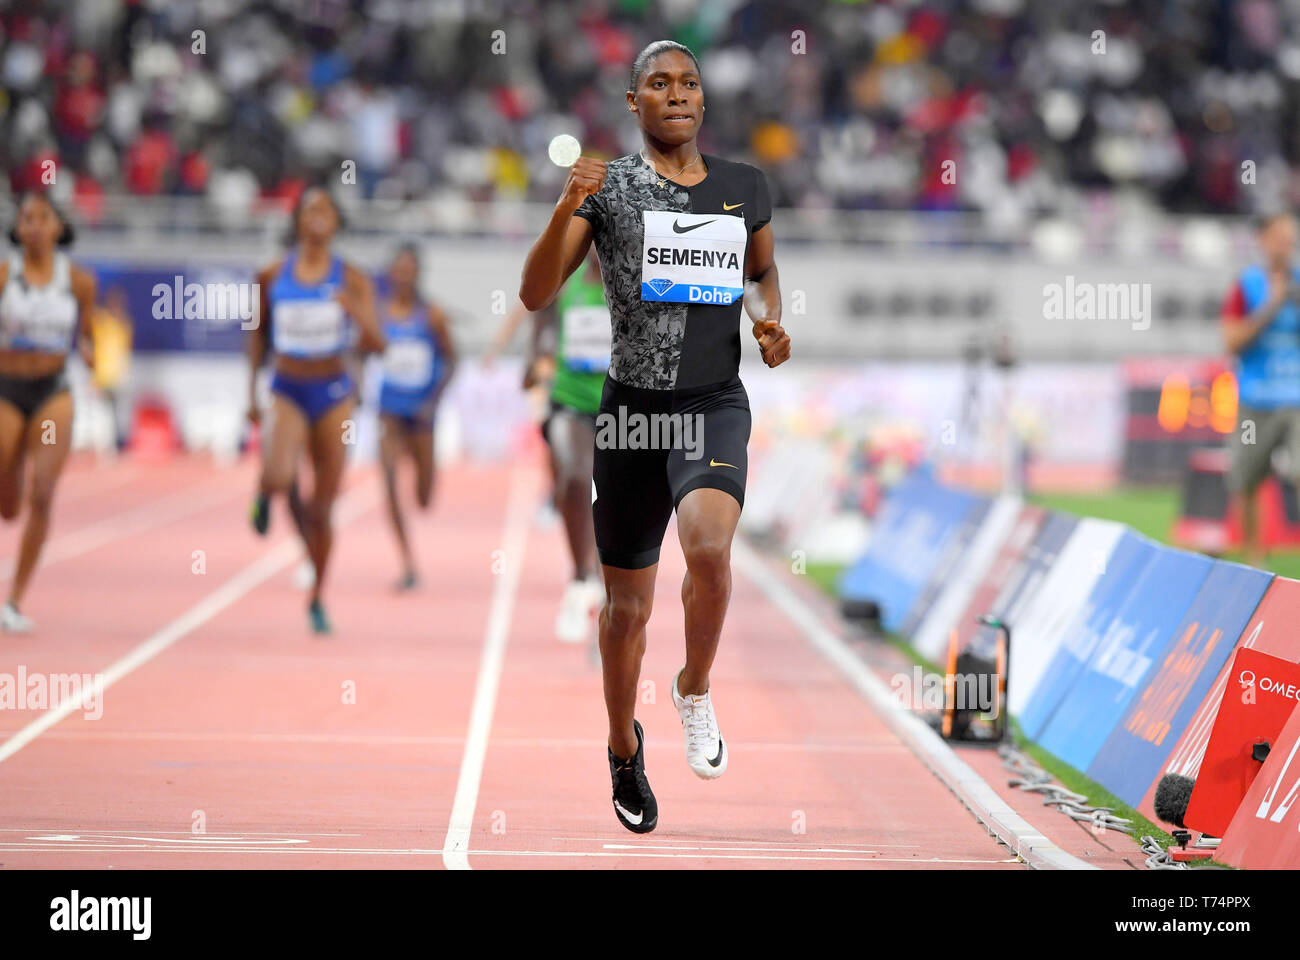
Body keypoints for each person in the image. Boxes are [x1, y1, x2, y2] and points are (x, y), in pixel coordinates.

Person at [518, 40, 790, 833]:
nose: (678, 94)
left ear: (704, 100)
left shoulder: (745, 188)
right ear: (633, 104)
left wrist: (770, 320)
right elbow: (536, 295)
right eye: (659, 85)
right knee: (625, 612)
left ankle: (694, 688)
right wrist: (567, 200)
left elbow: (761, 274)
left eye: (690, 83)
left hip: (711, 402)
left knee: (709, 550)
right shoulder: (606, 188)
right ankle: (621, 748)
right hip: (631, 414)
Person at [246, 186, 384, 633]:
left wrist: (354, 312)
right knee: (279, 476)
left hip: (332, 392)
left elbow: (377, 343)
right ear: (298, 220)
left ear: (336, 221)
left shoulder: (352, 278)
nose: (319, 216)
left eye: (327, 209)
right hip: (286, 387)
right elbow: (257, 336)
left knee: (323, 508)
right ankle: (265, 493)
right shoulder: (270, 275)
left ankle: (318, 596)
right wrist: (250, 392)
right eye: (311, 209)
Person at [0, 192, 97, 632]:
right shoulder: (4, 276)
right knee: (8, 501)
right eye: (26, 219)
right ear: (17, 229)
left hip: (53, 390)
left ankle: (15, 599)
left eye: (42, 218)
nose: (34, 226)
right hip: (7, 387)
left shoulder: (78, 282)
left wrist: (92, 353)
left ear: (59, 227)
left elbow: (88, 336)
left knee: (42, 491)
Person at [375, 244, 456, 590]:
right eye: (399, 270)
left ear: (417, 274)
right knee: (389, 481)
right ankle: (407, 562)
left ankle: (420, 470)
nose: (403, 276)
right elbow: (359, 349)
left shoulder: (432, 315)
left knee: (423, 498)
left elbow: (453, 361)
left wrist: (433, 401)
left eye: (409, 270)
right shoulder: (379, 313)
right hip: (390, 411)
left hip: (421, 414)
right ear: (391, 274)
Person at [1222, 211, 1300, 567]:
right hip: (1256, 401)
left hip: (1295, 398)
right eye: (1281, 237)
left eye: (1292, 237)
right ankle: (1255, 560)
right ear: (1264, 239)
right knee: (1248, 479)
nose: (1287, 244)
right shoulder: (1247, 286)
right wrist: (1271, 306)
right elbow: (1232, 341)